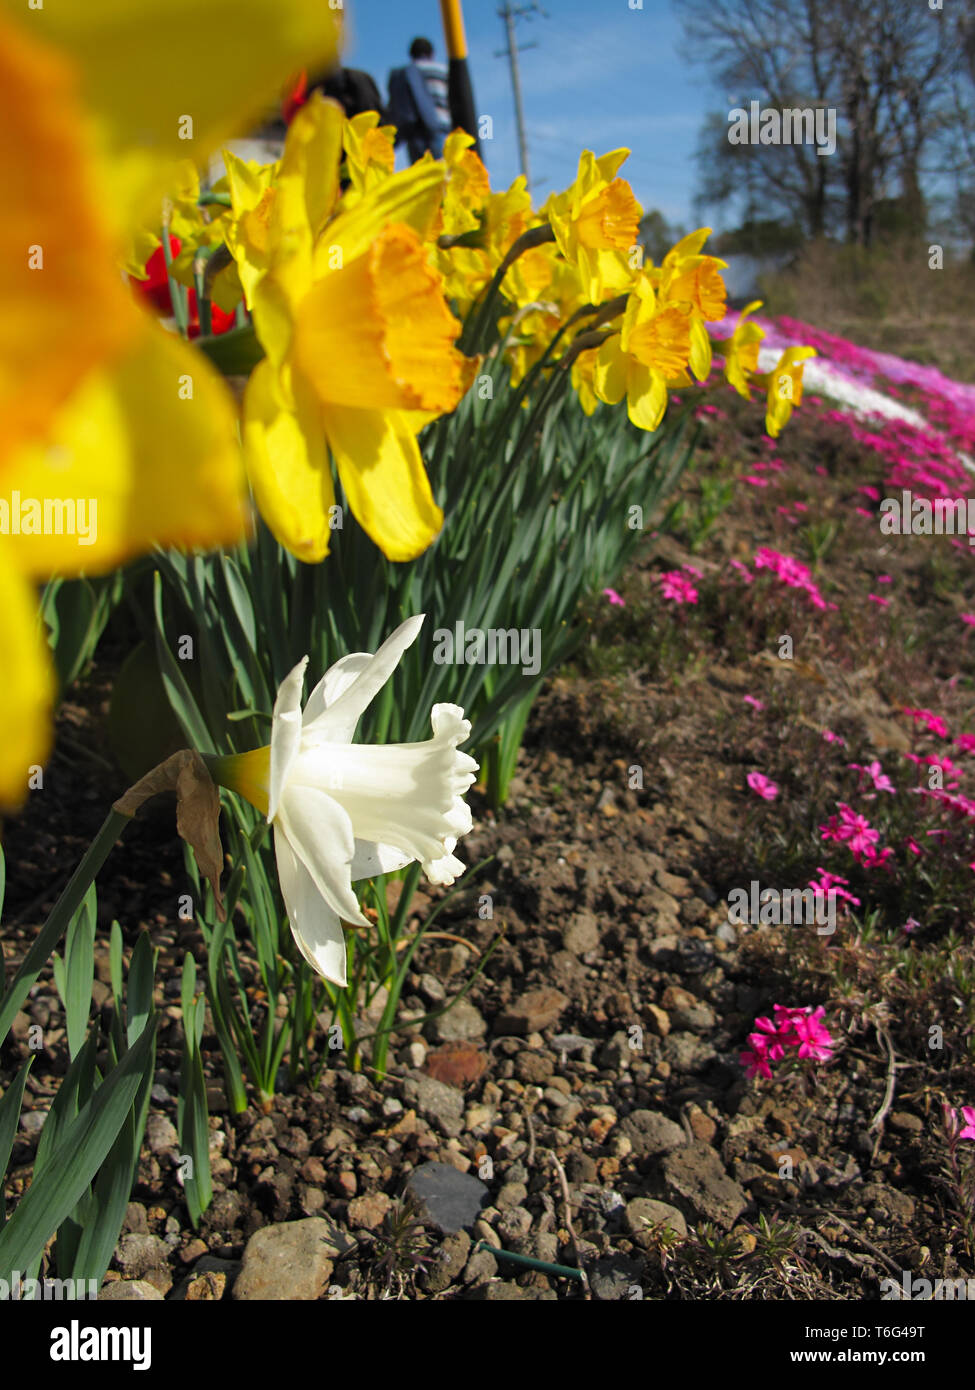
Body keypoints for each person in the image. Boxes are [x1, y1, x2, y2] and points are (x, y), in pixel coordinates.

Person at [387, 37, 451, 161]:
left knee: (421, 175)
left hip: (416, 131)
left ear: (411, 54)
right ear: (432, 53)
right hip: (443, 127)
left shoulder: (405, 73)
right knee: (444, 173)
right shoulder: (443, 70)